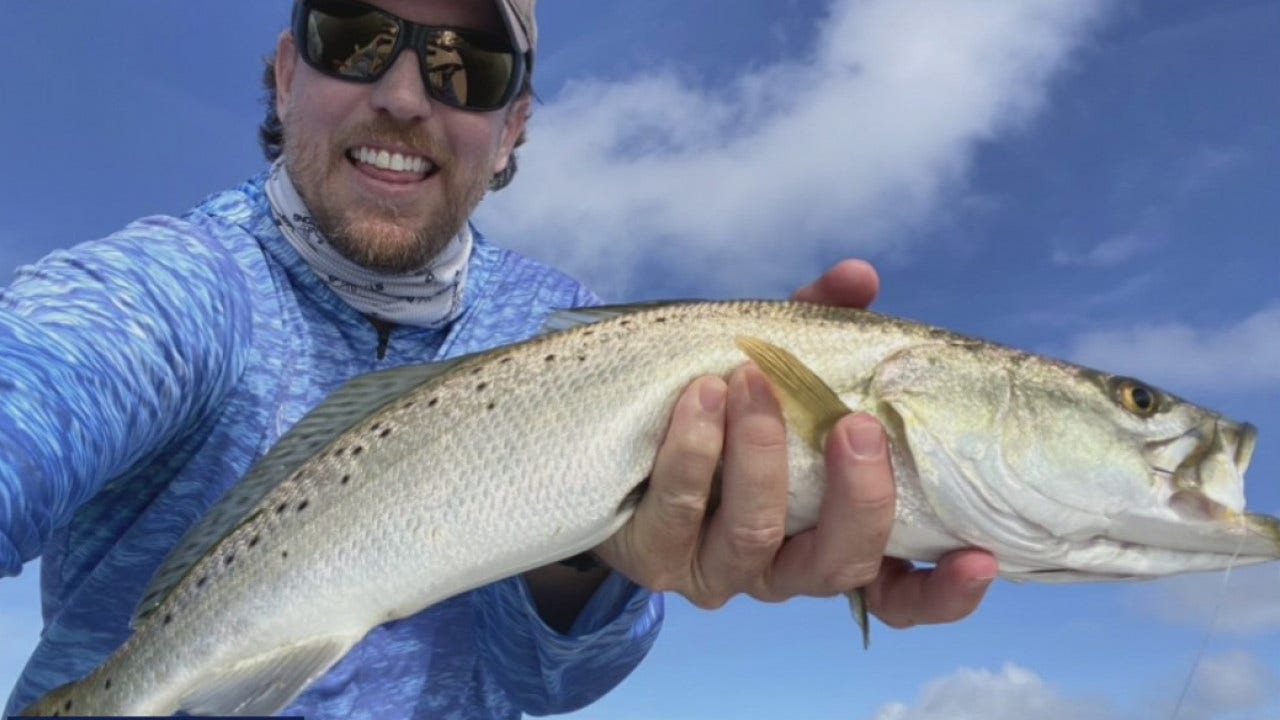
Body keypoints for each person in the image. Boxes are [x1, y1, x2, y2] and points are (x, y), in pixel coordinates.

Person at [0, 1, 996, 718]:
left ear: (512, 125)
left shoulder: (567, 323)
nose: (401, 95)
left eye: (465, 67)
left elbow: (547, 686)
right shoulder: (170, 288)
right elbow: (35, 384)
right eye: (354, 38)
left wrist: (588, 557)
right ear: (284, 71)